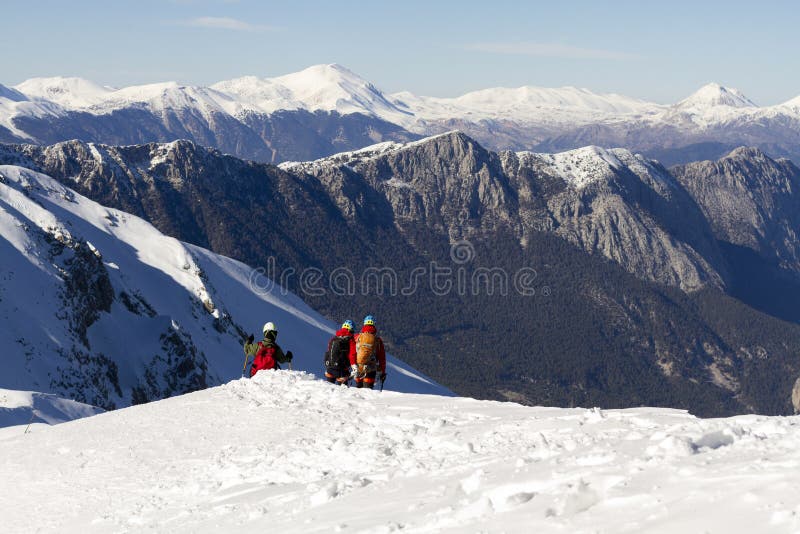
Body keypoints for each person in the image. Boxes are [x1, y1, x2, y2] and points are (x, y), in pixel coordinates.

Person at [351, 315, 387, 389]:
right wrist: (382, 372)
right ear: (374, 324)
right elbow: (382, 358)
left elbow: (352, 353)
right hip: (371, 369)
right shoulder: (378, 340)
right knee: (368, 393)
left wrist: (352, 365)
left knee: (358, 392)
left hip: (358, 368)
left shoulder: (357, 337)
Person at [324, 320, 357, 385]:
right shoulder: (350, 340)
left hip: (330, 368)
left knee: (329, 390)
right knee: (342, 392)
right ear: (351, 329)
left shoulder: (333, 338)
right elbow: (352, 355)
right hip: (342, 371)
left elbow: (329, 351)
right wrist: (354, 366)